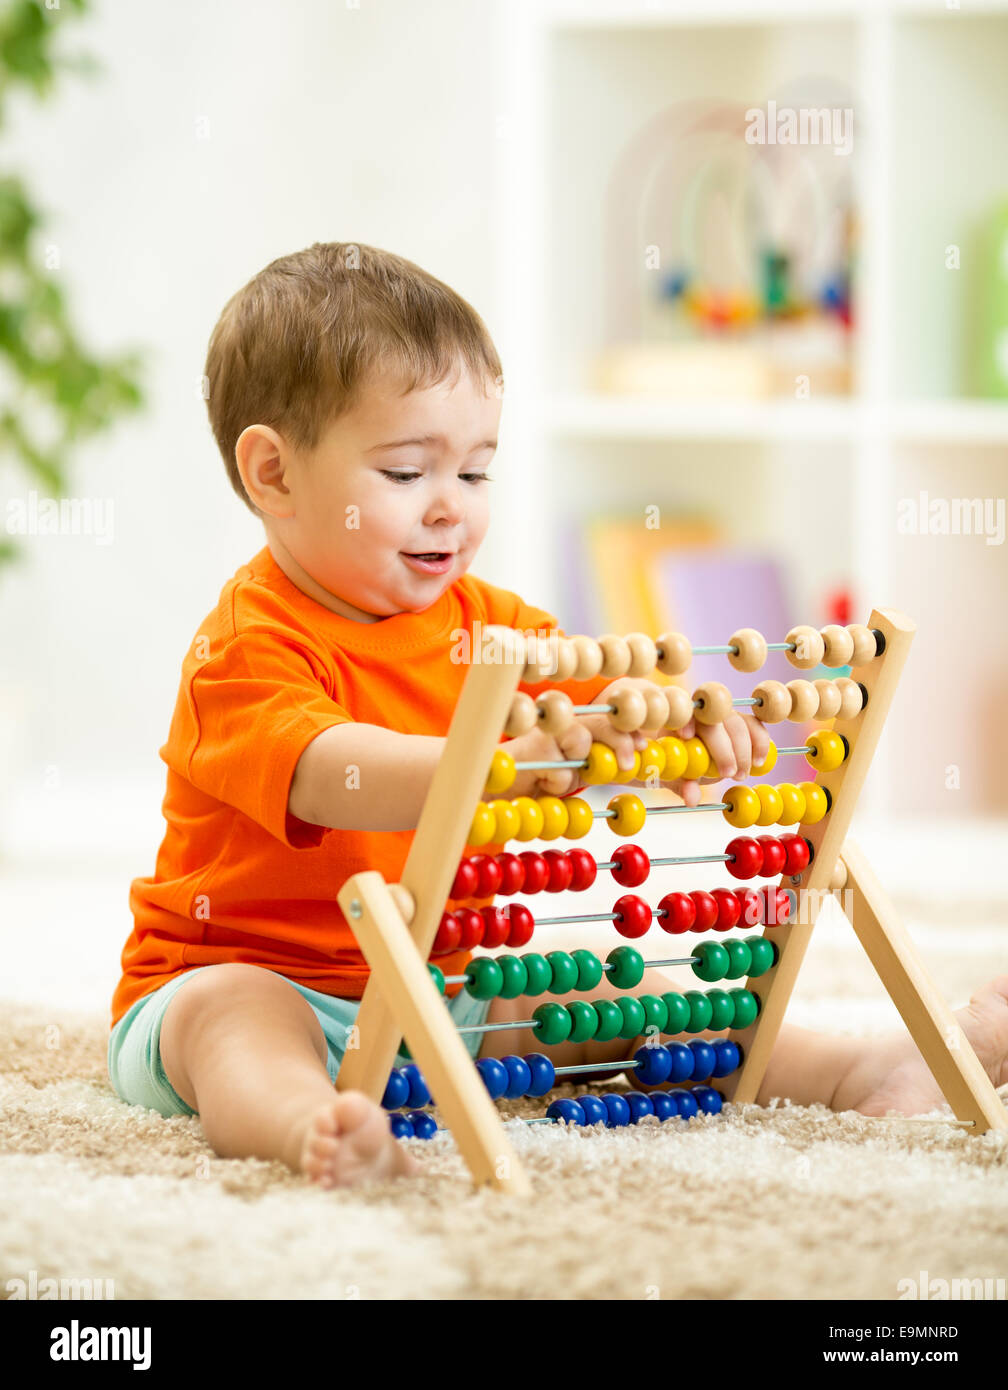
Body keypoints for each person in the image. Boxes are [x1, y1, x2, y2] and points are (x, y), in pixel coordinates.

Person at [108, 243, 1008, 1188]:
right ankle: (312, 1129)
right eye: (407, 473)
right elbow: (335, 773)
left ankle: (858, 1070)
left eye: (475, 475)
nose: (450, 509)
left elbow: (599, 703)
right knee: (235, 1019)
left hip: (441, 990)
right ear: (275, 474)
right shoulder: (242, 650)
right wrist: (494, 764)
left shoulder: (493, 630)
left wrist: (676, 725)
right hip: (245, 977)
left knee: (611, 981)